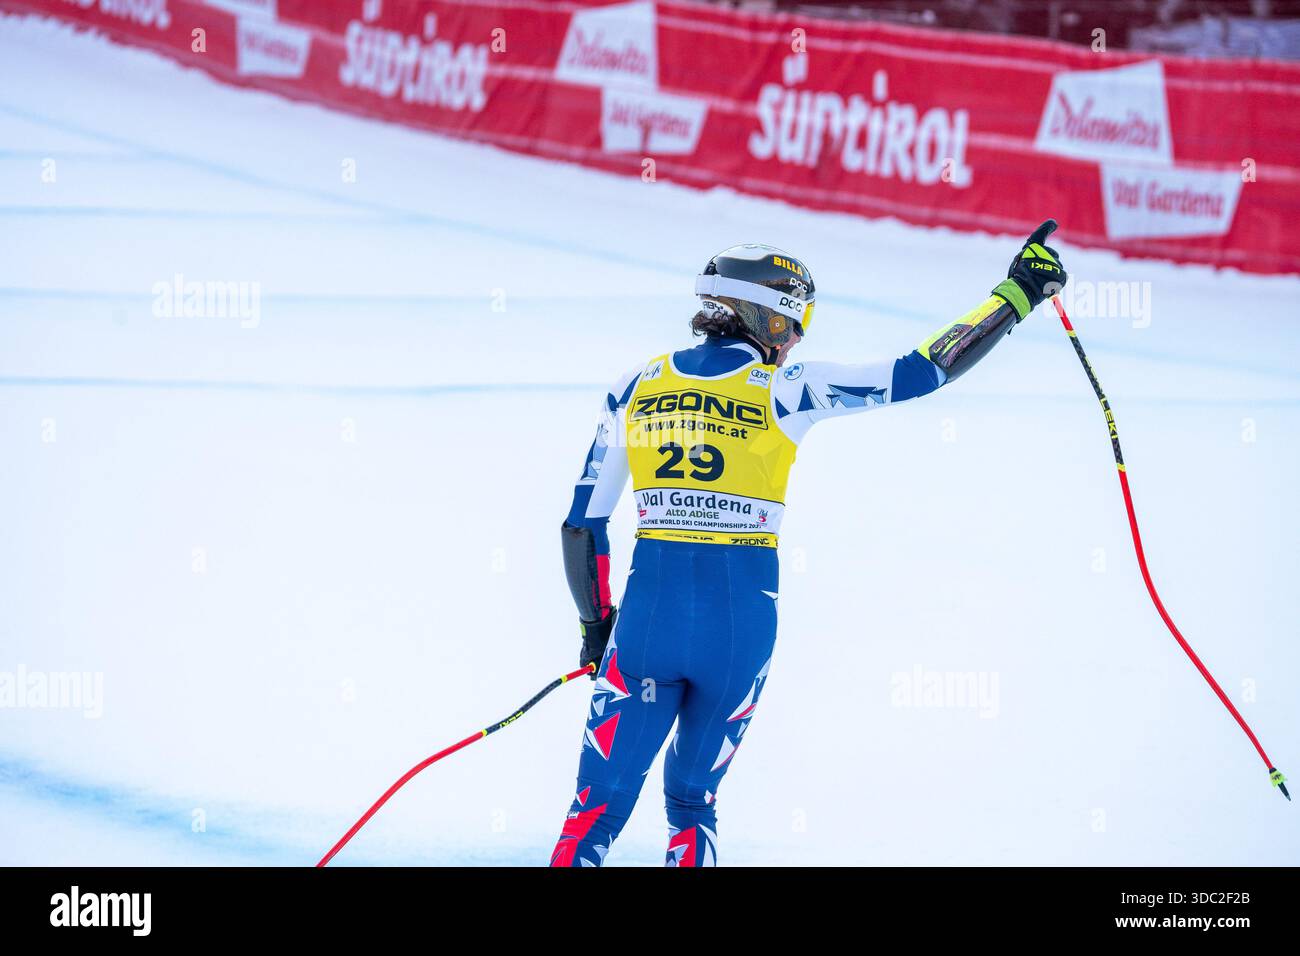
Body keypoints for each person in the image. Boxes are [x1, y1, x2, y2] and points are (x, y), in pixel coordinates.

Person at [550, 221, 1068, 867]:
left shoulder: (634, 387)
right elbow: (926, 369)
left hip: (646, 626)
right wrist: (1018, 293)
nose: (797, 341)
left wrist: (597, 628)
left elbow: (582, 526)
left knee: (594, 813)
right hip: (739, 629)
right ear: (768, 320)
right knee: (691, 807)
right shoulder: (788, 390)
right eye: (796, 324)